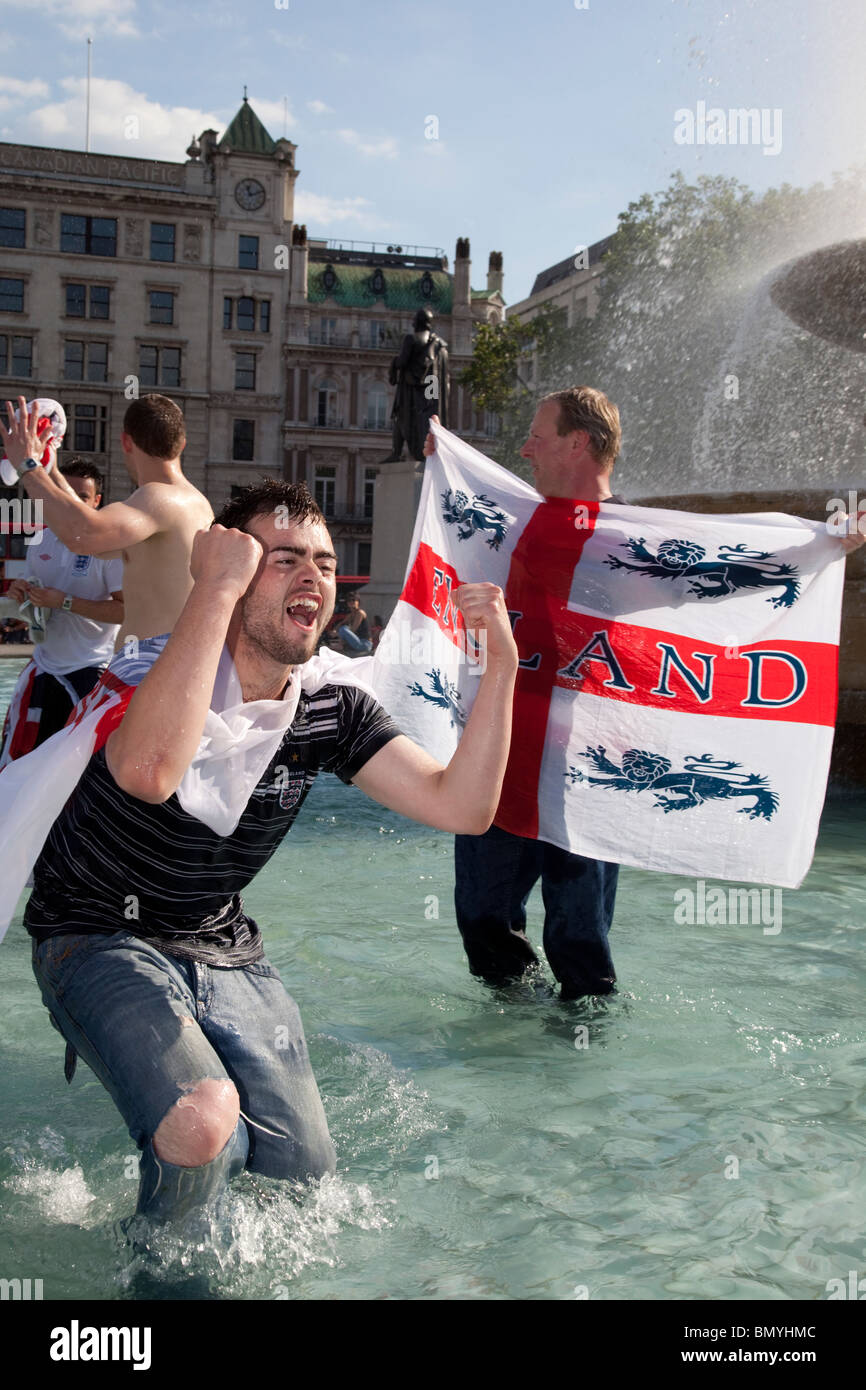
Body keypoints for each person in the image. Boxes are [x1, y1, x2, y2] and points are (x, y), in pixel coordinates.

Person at [26, 480, 518, 1224]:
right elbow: (150, 771)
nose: (314, 577)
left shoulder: (330, 707)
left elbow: (462, 806)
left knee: (302, 1175)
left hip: (224, 947)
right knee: (202, 1121)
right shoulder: (139, 672)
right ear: (228, 564)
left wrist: (502, 670)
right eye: (282, 559)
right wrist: (213, 589)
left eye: (322, 561)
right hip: (96, 933)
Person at [434, 388, 626, 999]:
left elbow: (728, 584)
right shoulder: (511, 520)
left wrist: (821, 547)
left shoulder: (641, 542)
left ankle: (578, 1066)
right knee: (482, 917)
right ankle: (509, 1047)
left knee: (580, 940)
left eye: (538, 437)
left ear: (579, 444)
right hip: (501, 749)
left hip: (589, 764)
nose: (524, 449)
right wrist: (443, 454)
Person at [0, 393, 213, 649]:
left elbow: (82, 536)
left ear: (125, 441)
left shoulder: (159, 498)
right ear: (182, 444)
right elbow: (97, 542)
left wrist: (27, 466)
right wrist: (51, 471)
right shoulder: (188, 500)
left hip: (154, 666)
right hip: (165, 660)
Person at [0, 459, 124, 766]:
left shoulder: (110, 549)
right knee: (18, 763)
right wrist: (19, 594)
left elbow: (127, 611)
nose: (70, 501)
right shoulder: (41, 539)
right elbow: (31, 601)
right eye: (64, 492)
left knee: (77, 770)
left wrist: (65, 602)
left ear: (97, 501)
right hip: (43, 666)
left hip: (91, 669)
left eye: (81, 496)